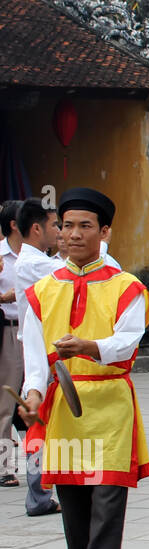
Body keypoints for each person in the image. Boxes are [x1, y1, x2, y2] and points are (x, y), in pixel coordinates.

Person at [17, 188, 149, 549]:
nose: (72, 234)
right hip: (64, 409)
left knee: (106, 509)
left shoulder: (126, 287)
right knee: (74, 513)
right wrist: (33, 394)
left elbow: (128, 342)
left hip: (111, 405)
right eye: (66, 225)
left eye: (84, 226)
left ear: (104, 232)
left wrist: (90, 347)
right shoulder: (38, 293)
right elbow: (36, 359)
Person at [13, 198, 62, 516]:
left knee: (41, 424)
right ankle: (38, 493)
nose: (61, 233)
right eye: (58, 226)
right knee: (38, 425)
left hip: (45, 348)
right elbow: (72, 272)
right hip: (39, 349)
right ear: (36, 228)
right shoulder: (32, 262)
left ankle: (41, 490)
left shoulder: (36, 260)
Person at [0, 201, 23, 488]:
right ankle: (4, 466)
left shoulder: (37, 256)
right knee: (6, 402)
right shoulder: (1, 255)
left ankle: (42, 464)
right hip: (8, 329)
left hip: (33, 330)